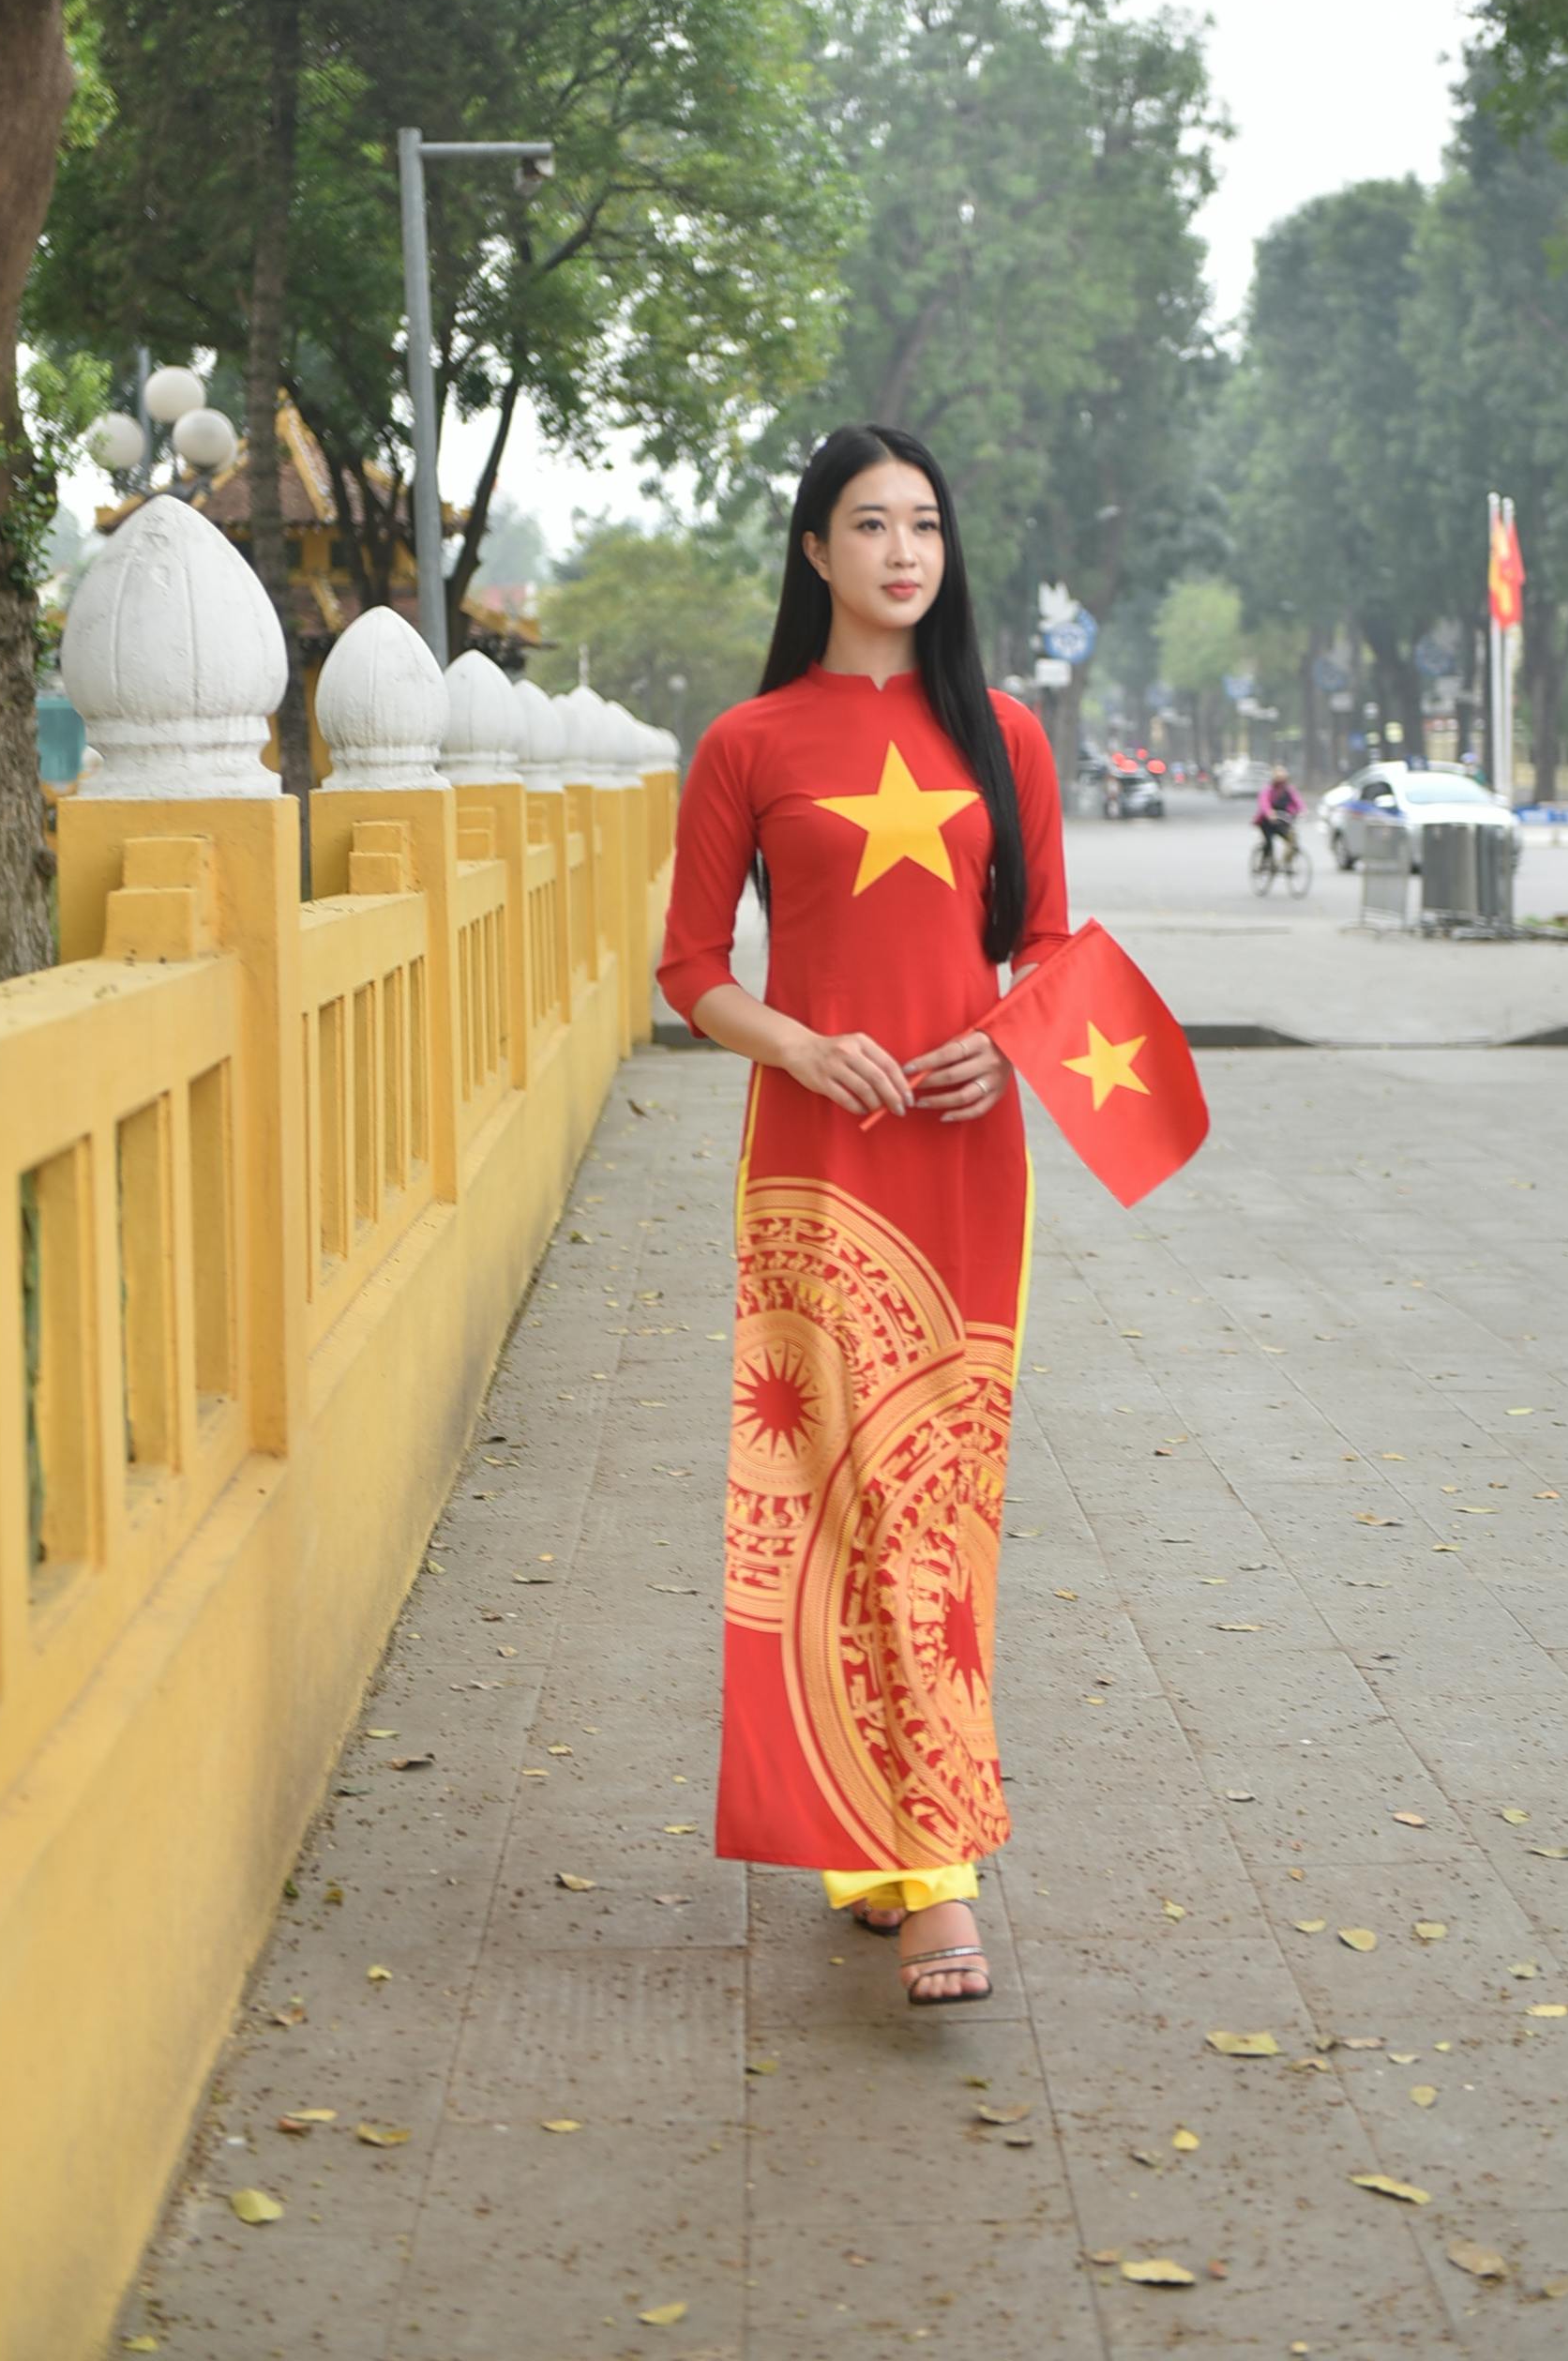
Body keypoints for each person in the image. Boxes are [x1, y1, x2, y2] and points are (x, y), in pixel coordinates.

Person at [656, 424, 1072, 2008]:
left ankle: (904, 1847)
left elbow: (1045, 945)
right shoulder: (747, 742)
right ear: (813, 552)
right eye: (867, 523)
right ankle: (920, 1869)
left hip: (962, 1160)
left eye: (924, 524)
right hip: (814, 1157)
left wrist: (1001, 1037)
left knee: (933, 1502)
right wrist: (801, 1041)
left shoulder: (1005, 735)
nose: (903, 550)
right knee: (837, 1491)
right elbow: (691, 972)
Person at [1253, 764, 1303, 868]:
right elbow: (1264, 803)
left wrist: (1302, 811)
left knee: (1292, 841)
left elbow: (1297, 801)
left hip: (1282, 820)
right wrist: (1270, 813)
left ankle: (1286, 862)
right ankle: (1264, 862)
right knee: (1268, 843)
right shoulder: (1268, 790)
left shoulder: (1288, 790)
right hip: (1266, 822)